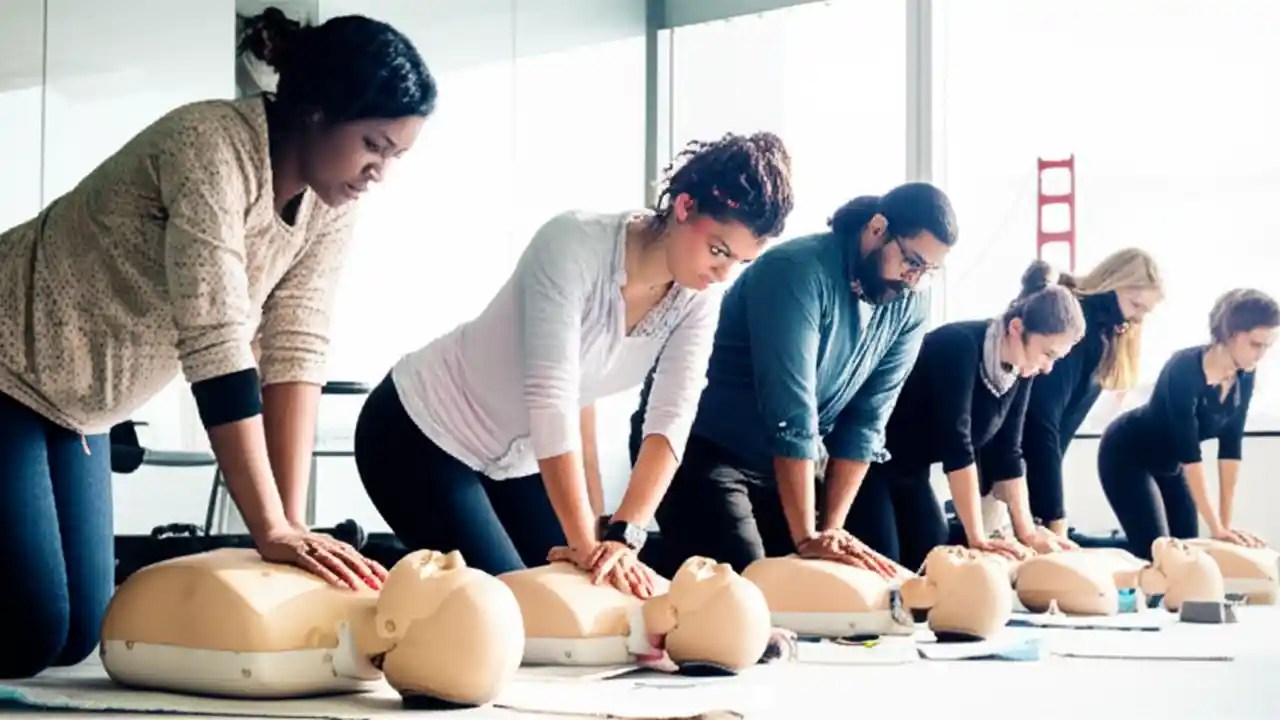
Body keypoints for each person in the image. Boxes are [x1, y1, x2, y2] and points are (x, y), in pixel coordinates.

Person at [0, 13, 436, 679]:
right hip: (7, 363)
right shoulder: (208, 146)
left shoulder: (330, 203)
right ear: (317, 111)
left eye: (395, 156)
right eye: (373, 144)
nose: (379, 171)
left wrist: (290, 527)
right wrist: (267, 526)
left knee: (74, 636)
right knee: (28, 633)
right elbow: (217, 339)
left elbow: (295, 346)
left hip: (80, 409)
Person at [353, 133, 795, 599]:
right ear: (684, 208)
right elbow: (552, 398)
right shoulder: (573, 243)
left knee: (593, 594)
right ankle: (381, 566)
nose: (722, 274)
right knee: (515, 607)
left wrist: (624, 536)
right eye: (719, 250)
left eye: (740, 263)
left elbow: (671, 416)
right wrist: (585, 542)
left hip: (517, 465)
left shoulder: (698, 297)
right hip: (420, 432)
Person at [644, 182, 958, 579]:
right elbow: (791, 414)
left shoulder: (910, 304)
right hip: (704, 449)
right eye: (912, 261)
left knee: (856, 577)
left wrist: (831, 530)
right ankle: (649, 549)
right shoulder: (795, 271)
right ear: (878, 229)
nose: (913, 279)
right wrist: (807, 537)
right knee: (752, 590)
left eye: (927, 271)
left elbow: (866, 423)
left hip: (785, 464)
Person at [844, 269, 1087, 572]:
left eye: (1056, 359)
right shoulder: (959, 346)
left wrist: (1028, 534)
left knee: (931, 555)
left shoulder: (1018, 370)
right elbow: (956, 446)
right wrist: (978, 538)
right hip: (864, 463)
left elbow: (1008, 453)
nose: (1048, 367)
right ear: (1016, 328)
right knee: (885, 564)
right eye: (1047, 354)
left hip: (912, 471)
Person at [1099, 289, 1277, 559]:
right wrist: (1215, 528)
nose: (1261, 354)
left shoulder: (1245, 375)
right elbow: (1190, 454)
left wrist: (1224, 529)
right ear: (1230, 333)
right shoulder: (1184, 368)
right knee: (1157, 554)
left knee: (1188, 555)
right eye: (1255, 344)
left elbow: (1230, 449)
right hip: (1127, 453)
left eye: (1268, 346)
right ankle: (1078, 544)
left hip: (1170, 464)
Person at [1020, 249, 1164, 538]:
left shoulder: (1106, 334)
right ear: (1109, 283)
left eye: (1144, 312)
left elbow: (1058, 434)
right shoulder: (1080, 327)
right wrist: (1053, 514)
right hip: (1017, 469)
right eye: (1134, 304)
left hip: (1032, 471)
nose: (1136, 318)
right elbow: (1042, 422)